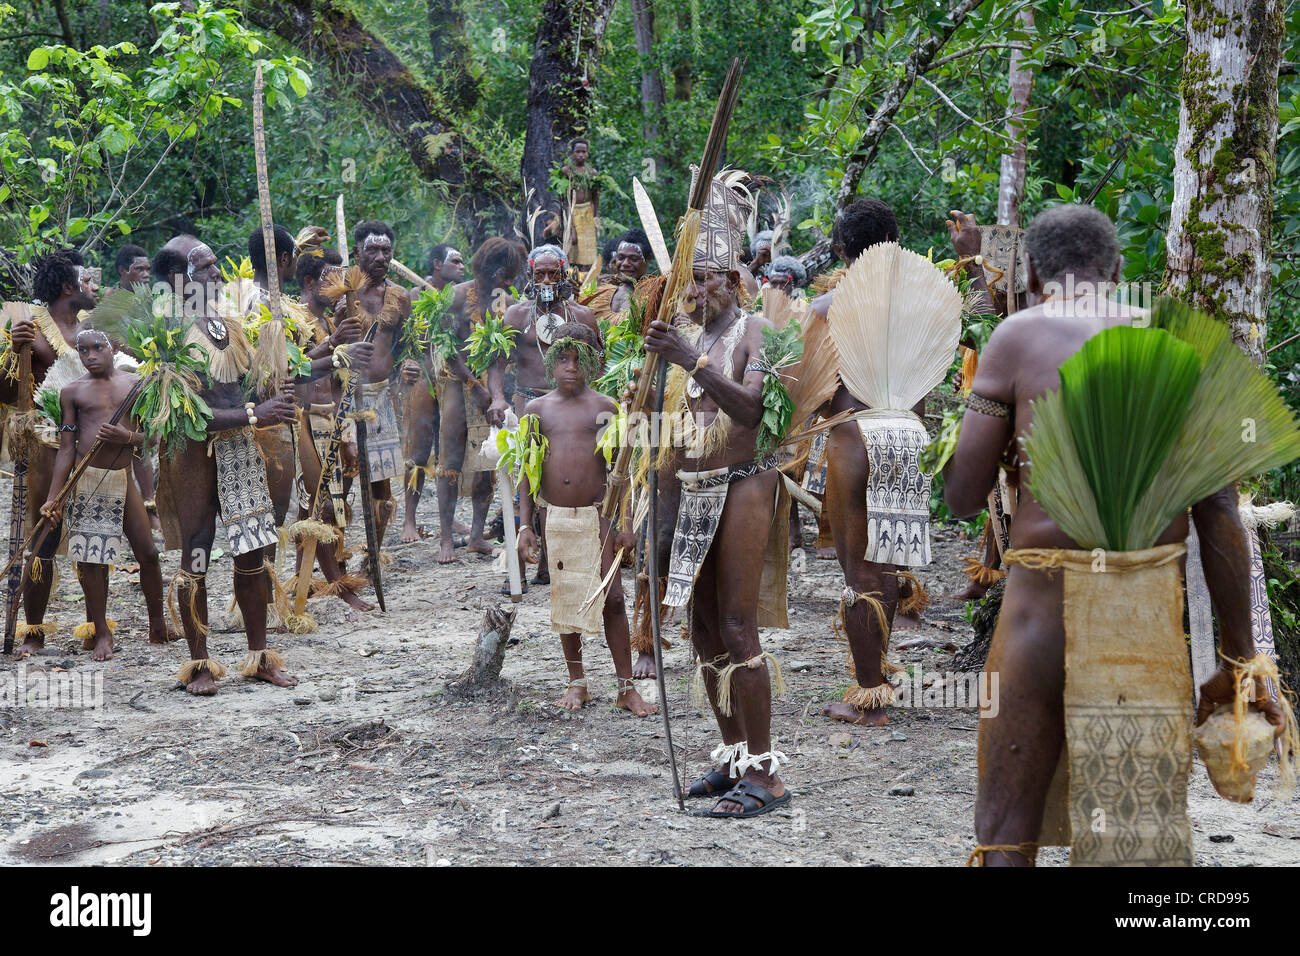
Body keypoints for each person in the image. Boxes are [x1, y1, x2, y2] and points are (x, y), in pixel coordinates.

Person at [942, 204, 1285, 865]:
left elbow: (960, 497)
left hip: (1040, 615)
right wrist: (1241, 661)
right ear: (1118, 268)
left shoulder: (1017, 336)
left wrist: (993, 418)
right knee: (1134, 839)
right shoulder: (1179, 342)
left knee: (1007, 828)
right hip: (1141, 622)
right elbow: (1219, 512)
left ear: (1035, 271)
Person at [641, 176, 790, 817]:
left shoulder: (755, 331)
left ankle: (766, 774)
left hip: (745, 485)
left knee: (736, 625)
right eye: (689, 280)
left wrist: (689, 360)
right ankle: (732, 759)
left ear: (733, 278)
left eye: (706, 279)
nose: (696, 291)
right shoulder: (681, 334)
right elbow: (658, 428)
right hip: (691, 487)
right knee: (703, 633)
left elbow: (752, 413)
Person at [151, 234, 300, 694]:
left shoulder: (228, 323)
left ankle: (258, 657)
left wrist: (274, 377)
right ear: (181, 280)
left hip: (238, 449)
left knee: (252, 552)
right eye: (207, 267)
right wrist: (259, 414)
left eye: (216, 264)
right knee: (197, 553)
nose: (218, 274)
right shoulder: (170, 334)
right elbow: (187, 413)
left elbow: (247, 388)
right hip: (193, 453)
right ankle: (199, 663)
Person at [516, 322, 656, 717]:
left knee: (613, 599)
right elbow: (526, 472)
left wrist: (624, 521)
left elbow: (621, 469)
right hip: (556, 517)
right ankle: (577, 683)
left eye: (579, 359)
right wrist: (526, 525)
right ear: (551, 362)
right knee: (567, 600)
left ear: (593, 363)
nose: (571, 367)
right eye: (563, 358)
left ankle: (626, 687)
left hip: (601, 517)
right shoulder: (536, 410)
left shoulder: (605, 408)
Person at [40, 328, 168, 659]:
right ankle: (102, 632)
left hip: (122, 479)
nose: (92, 355)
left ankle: (158, 623)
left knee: (149, 554)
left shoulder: (134, 385)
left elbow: (151, 436)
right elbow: (67, 449)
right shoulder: (72, 392)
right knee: (93, 562)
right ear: (78, 354)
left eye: (98, 347)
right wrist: (54, 498)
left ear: (112, 348)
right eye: (84, 350)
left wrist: (127, 438)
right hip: (88, 480)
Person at [2, 250, 96, 657]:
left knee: (98, 535)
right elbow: (6, 393)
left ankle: (98, 628)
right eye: (86, 278)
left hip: (93, 446)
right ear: (67, 286)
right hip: (45, 445)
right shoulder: (29, 325)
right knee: (43, 536)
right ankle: (33, 630)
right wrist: (13, 353)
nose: (94, 283)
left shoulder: (96, 331)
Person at [490, 244, 598, 586]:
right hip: (528, 403)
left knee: (558, 481)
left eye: (554, 273)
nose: (547, 280)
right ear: (530, 276)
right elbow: (497, 364)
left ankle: (551, 563)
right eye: (540, 274)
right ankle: (518, 567)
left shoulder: (581, 316)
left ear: (565, 273)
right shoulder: (516, 316)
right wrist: (497, 398)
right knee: (525, 479)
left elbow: (597, 365)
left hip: (571, 410)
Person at [290, 239, 374, 612]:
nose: (340, 284)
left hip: (330, 419)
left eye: (343, 276)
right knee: (319, 505)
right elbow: (294, 367)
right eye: (332, 278)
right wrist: (336, 343)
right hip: (303, 420)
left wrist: (348, 430)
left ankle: (302, 581)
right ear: (310, 281)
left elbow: (339, 380)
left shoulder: (327, 320)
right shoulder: (292, 317)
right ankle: (338, 584)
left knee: (327, 504)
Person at [434, 237, 521, 563]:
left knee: (489, 458)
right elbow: (445, 347)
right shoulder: (456, 297)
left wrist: (495, 390)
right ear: (485, 268)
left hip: (493, 388)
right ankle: (445, 539)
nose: (509, 280)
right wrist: (474, 384)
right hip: (458, 382)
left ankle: (475, 537)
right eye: (503, 273)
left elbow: (505, 351)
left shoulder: (505, 301)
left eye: (512, 274)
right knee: (451, 459)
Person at [337, 221, 411, 554]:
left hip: (380, 396)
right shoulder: (339, 289)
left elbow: (405, 346)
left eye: (386, 251)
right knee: (340, 480)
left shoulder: (400, 296)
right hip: (342, 397)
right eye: (372, 250)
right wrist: (337, 319)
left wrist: (408, 367)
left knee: (381, 483)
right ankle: (335, 562)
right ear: (356, 252)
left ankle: (372, 559)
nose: (380, 256)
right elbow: (317, 338)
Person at [401, 243, 465, 544]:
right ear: (438, 264)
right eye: (456, 261)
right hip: (424, 377)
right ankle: (409, 521)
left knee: (449, 453)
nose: (462, 266)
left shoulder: (459, 297)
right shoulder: (416, 295)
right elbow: (407, 341)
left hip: (451, 377)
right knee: (419, 451)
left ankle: (449, 523)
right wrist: (410, 364)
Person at [563, 138, 599, 271]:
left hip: (588, 212)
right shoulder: (566, 171)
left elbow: (595, 197)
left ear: (588, 153)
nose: (581, 155)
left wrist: (596, 217)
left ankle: (586, 277)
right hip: (572, 210)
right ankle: (572, 276)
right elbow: (563, 197)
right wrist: (570, 224)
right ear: (572, 153)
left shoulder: (592, 173)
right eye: (577, 151)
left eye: (584, 152)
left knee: (588, 245)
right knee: (573, 243)